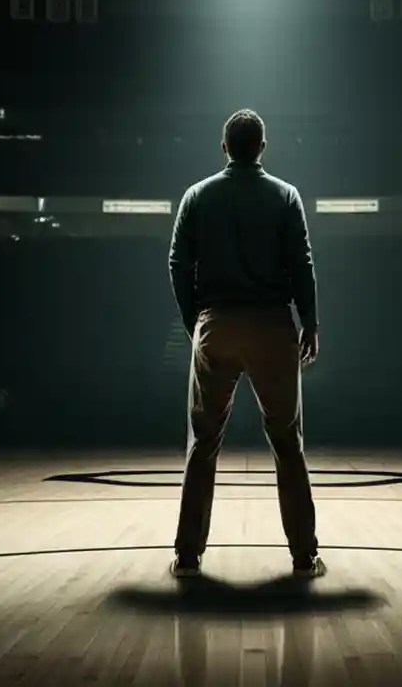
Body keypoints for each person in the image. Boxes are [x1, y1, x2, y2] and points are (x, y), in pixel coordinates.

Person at [167, 108, 325, 579]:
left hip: (215, 324)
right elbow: (303, 263)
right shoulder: (286, 196)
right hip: (273, 327)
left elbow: (177, 262)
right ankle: (303, 555)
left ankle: (188, 555)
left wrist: (195, 318)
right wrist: (310, 321)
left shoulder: (197, 195)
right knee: (287, 443)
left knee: (203, 444)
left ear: (224, 148)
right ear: (262, 147)